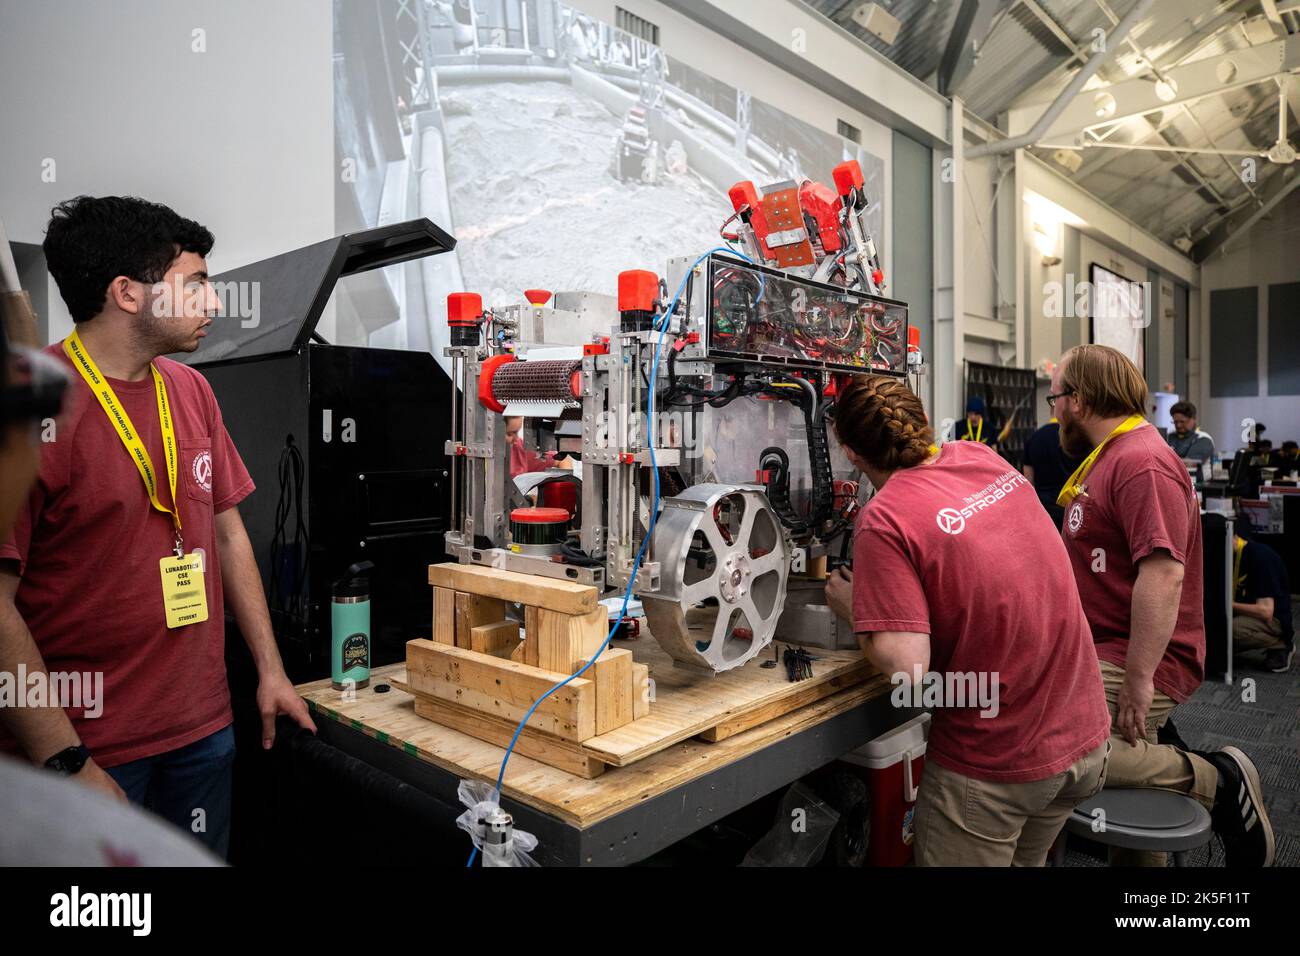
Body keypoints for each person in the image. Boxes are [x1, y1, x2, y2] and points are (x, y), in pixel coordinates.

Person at [0, 196, 316, 859]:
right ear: (128, 293)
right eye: (195, 284)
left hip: (202, 732)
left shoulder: (191, 391)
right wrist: (67, 763)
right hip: (88, 752)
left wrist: (270, 670)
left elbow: (227, 534)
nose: (216, 302)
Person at [824, 375, 1110, 866]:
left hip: (998, 769)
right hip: (1084, 741)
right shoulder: (980, 457)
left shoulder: (884, 516)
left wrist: (858, 609)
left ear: (851, 452)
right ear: (921, 421)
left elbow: (908, 670)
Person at [1050, 344, 1274, 866]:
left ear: (1079, 400)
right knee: (1133, 803)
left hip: (1134, 655)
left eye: (1055, 397)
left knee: (1053, 746)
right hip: (1105, 648)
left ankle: (1216, 780)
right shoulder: (1110, 457)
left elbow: (1164, 574)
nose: (1053, 409)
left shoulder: (1141, 462)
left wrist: (1138, 676)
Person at [1231, 532, 1294, 673]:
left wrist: (1229, 605)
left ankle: (1281, 644)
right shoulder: (1232, 555)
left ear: (1233, 536)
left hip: (1273, 618)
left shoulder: (1260, 558)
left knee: (1232, 630)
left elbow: (1265, 611)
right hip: (1246, 610)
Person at [1022, 416, 1085, 527]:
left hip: (1044, 508)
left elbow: (1028, 483)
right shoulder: (1075, 438)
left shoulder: (1033, 439)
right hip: (1071, 505)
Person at [1165, 400, 1214, 467]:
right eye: (1175, 422)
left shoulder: (1203, 438)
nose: (1178, 425)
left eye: (1182, 422)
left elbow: (1189, 463)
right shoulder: (1169, 437)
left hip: (1194, 477)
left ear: (1193, 419)